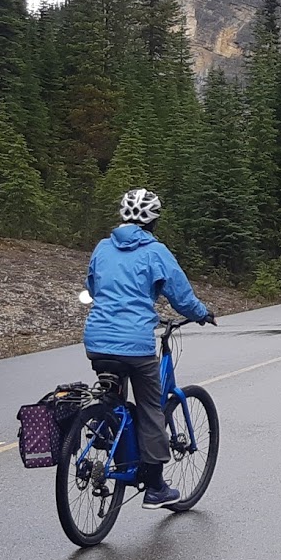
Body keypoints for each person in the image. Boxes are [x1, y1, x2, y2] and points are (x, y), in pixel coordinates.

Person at [83, 187, 214, 508]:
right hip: (134, 343)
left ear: (122, 216)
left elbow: (92, 286)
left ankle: (104, 429)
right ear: (154, 220)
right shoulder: (155, 252)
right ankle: (155, 486)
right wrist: (201, 313)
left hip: (97, 341)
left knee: (112, 393)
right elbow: (181, 296)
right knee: (151, 407)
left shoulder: (102, 247)